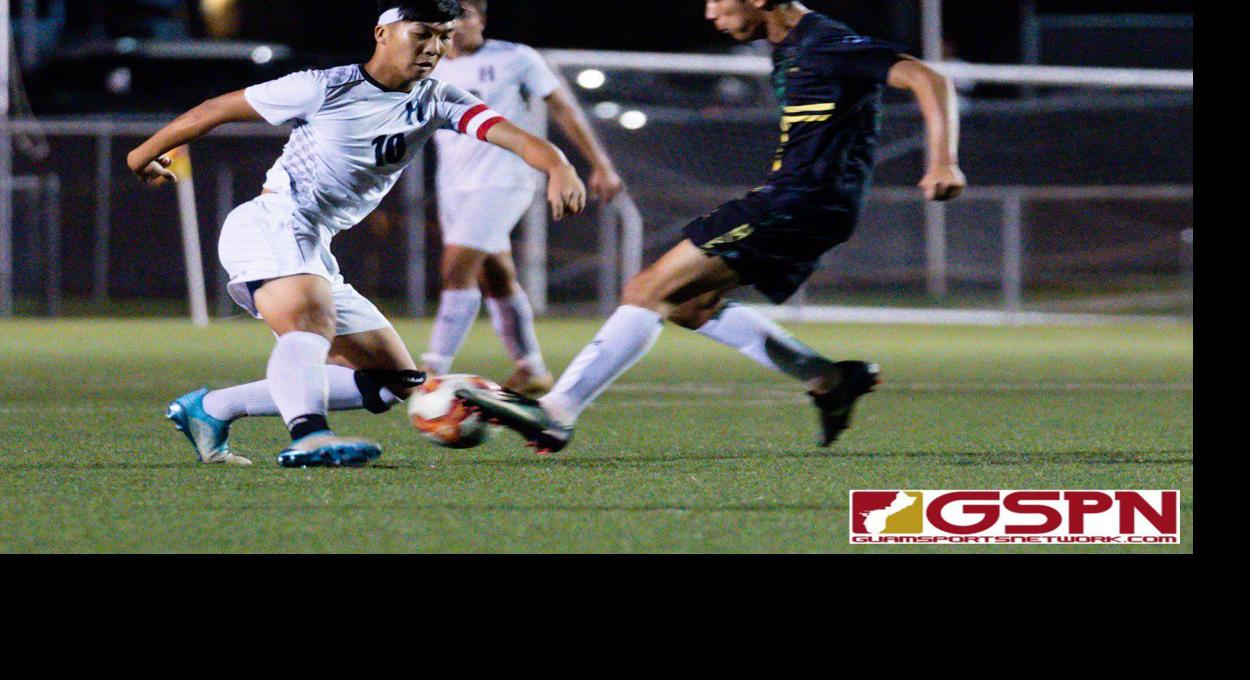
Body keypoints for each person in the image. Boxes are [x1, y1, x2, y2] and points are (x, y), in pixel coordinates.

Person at [456, 0, 965, 454]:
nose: (709, 14)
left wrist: (943, 161)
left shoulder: (826, 41)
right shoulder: (785, 45)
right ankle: (829, 379)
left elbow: (928, 78)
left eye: (718, 1)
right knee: (688, 303)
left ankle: (558, 413)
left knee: (647, 289)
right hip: (801, 203)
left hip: (799, 204)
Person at [127, 0, 586, 467]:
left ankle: (210, 409)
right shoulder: (324, 86)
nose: (435, 47)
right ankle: (309, 436)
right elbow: (216, 109)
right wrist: (141, 155)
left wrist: (558, 164)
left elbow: (511, 135)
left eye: (444, 36)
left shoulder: (438, 99)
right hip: (273, 223)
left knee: (394, 383)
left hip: (314, 244)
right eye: (422, 33)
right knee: (310, 322)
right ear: (383, 33)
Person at [423, 0, 624, 397]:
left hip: (504, 179)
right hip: (453, 185)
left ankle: (430, 370)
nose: (454, 24)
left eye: (462, 14)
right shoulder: (431, 64)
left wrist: (600, 164)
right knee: (495, 275)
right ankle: (531, 367)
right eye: (446, 16)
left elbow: (564, 109)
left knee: (456, 268)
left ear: (480, 19)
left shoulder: (515, 57)